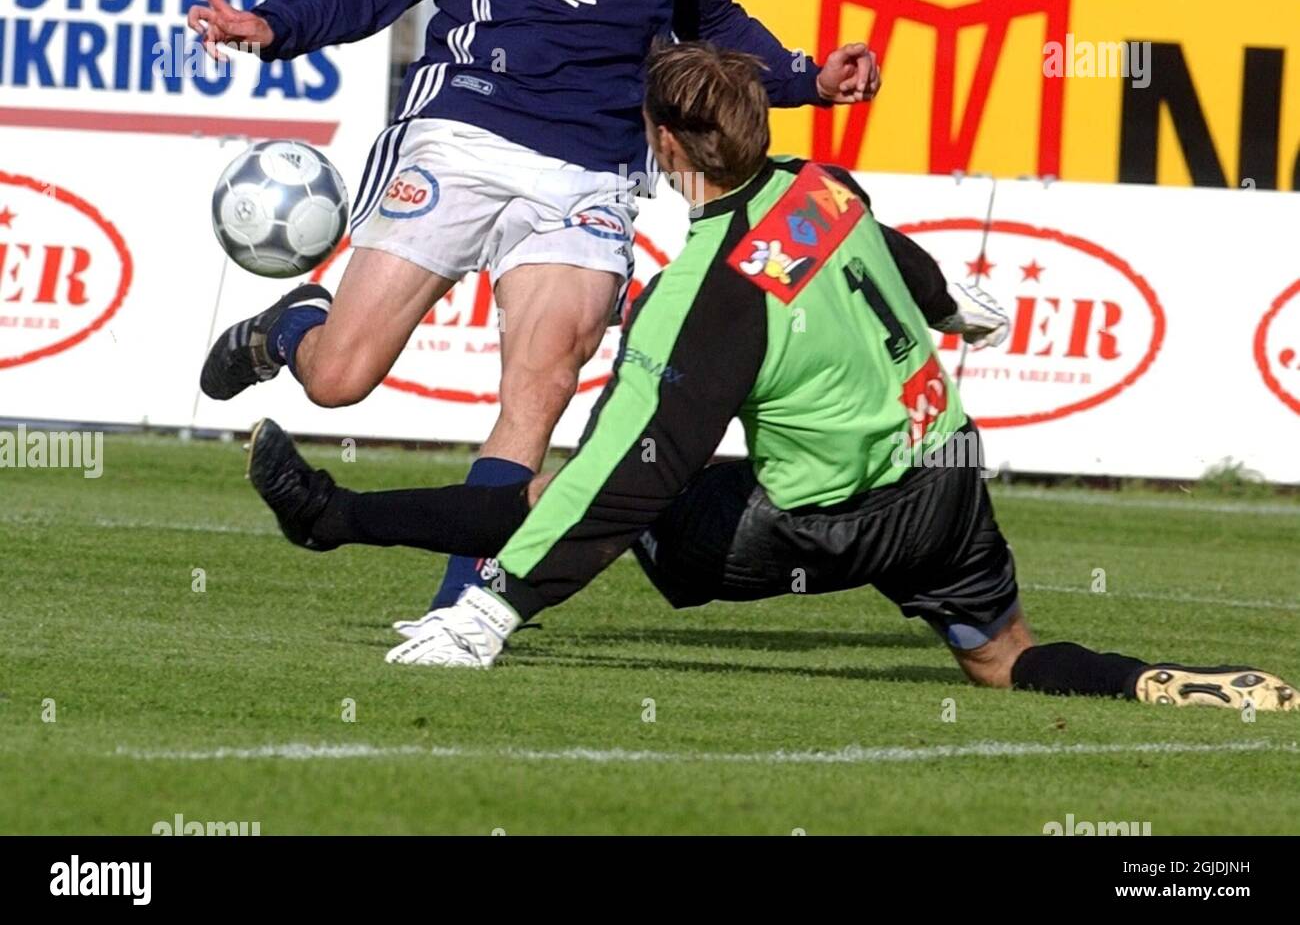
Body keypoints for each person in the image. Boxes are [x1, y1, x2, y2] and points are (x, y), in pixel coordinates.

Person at [243, 42, 1297, 712]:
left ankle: (334, 520)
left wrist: (496, 609)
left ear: (664, 144)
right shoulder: (820, 188)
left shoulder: (705, 292)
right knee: (1001, 660)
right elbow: (891, 247)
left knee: (580, 493)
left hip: (823, 522)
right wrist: (943, 308)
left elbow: (630, 476)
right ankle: (1156, 684)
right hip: (943, 477)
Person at [188, 0, 879, 611]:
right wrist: (278, 24)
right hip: (465, 133)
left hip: (594, 171)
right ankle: (297, 326)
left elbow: (708, 21)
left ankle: (458, 614)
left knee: (540, 384)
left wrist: (808, 75)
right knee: (340, 381)